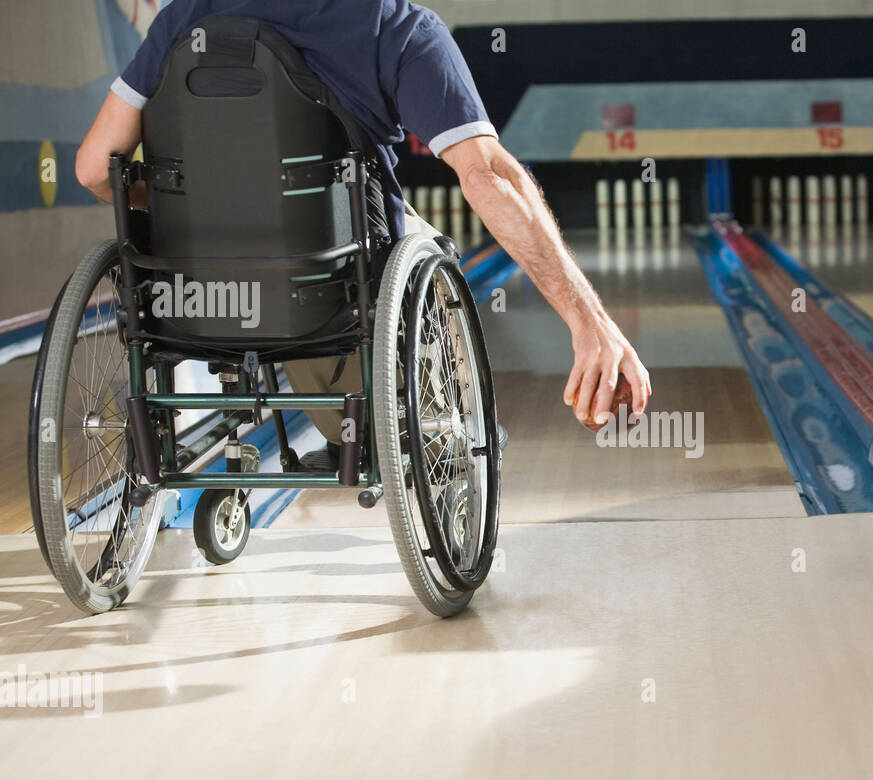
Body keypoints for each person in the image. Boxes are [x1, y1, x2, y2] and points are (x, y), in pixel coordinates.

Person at [75, 0, 651, 465]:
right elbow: (488, 176)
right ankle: (446, 428)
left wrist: (189, 208)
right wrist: (587, 320)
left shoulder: (184, 21)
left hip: (196, 301)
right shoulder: (398, 28)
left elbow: (92, 168)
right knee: (427, 247)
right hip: (327, 305)